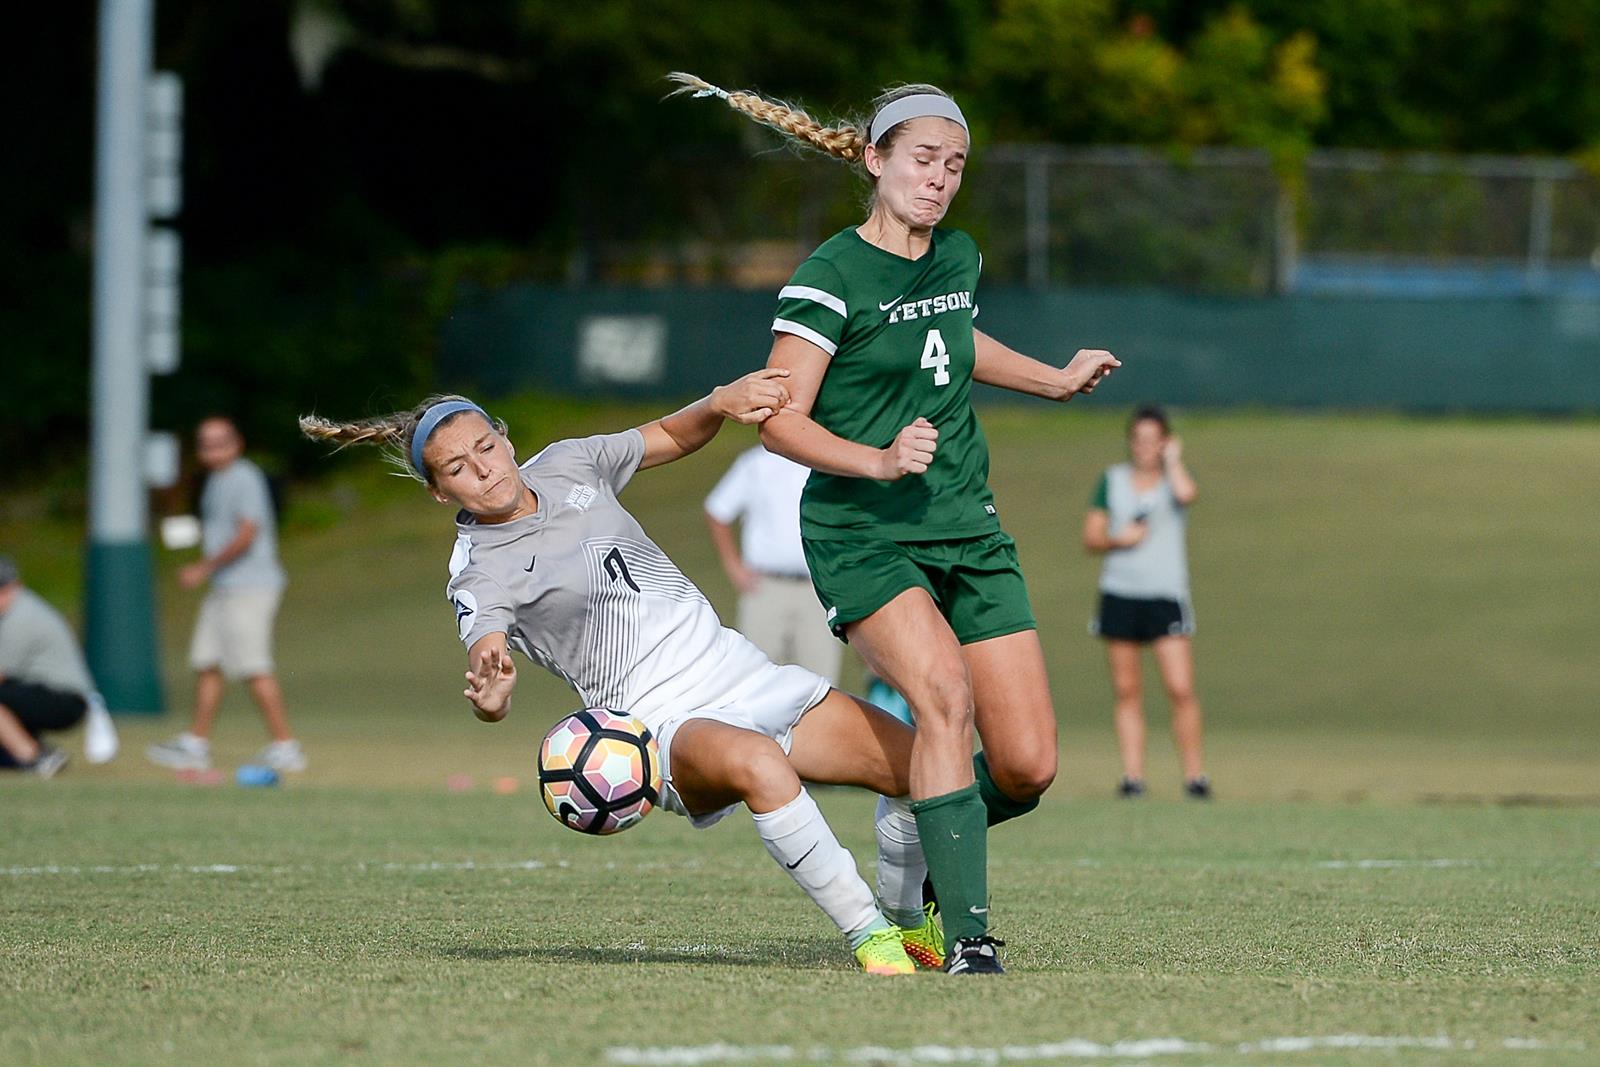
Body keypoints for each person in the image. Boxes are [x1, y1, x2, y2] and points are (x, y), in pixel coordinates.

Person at [674, 73, 1120, 974]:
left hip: (969, 527)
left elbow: (952, 339)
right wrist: (876, 458)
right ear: (875, 161)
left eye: (955, 164)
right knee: (943, 699)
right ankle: (967, 939)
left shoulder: (956, 257)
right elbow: (782, 418)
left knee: (1029, 764)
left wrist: (1054, 378)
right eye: (924, 158)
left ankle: (921, 810)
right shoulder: (829, 276)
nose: (941, 177)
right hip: (864, 533)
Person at [298, 381, 954, 976]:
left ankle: (904, 915)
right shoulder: (478, 569)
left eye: (485, 447)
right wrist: (492, 693)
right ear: (441, 491)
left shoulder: (566, 462)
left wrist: (718, 403)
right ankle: (869, 935)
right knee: (759, 765)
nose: (484, 470)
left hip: (738, 668)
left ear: (505, 436)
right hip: (657, 723)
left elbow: (668, 434)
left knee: (917, 767)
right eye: (458, 469)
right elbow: (486, 646)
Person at [147, 417, 305, 773]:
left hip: (250, 585)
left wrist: (203, 567)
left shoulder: (243, 477)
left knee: (253, 666)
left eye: (220, 442)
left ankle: (285, 746)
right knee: (208, 662)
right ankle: (196, 742)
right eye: (206, 443)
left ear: (237, 444)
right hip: (225, 587)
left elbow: (248, 532)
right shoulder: (216, 482)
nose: (212, 449)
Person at [1082, 405, 1209, 799]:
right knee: (1127, 690)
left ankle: (1195, 777)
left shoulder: (1174, 481)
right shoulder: (1113, 480)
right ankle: (1133, 777)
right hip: (1120, 593)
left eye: (1154, 441)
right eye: (1139, 440)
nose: (1145, 448)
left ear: (1165, 442)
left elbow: (1189, 494)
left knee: (1180, 687)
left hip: (1165, 595)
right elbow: (1092, 536)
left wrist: (1173, 461)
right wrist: (1121, 539)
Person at [703, 445, 841, 683]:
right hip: (766, 587)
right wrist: (733, 565)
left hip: (817, 588)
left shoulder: (828, 460)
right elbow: (718, 509)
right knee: (755, 680)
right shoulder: (756, 463)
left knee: (820, 683)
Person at [0, 555, 93, 777]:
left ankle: (35, 756)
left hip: (65, 699)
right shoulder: (17, 610)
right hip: (40, 690)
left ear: (14, 586)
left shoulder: (21, 617)